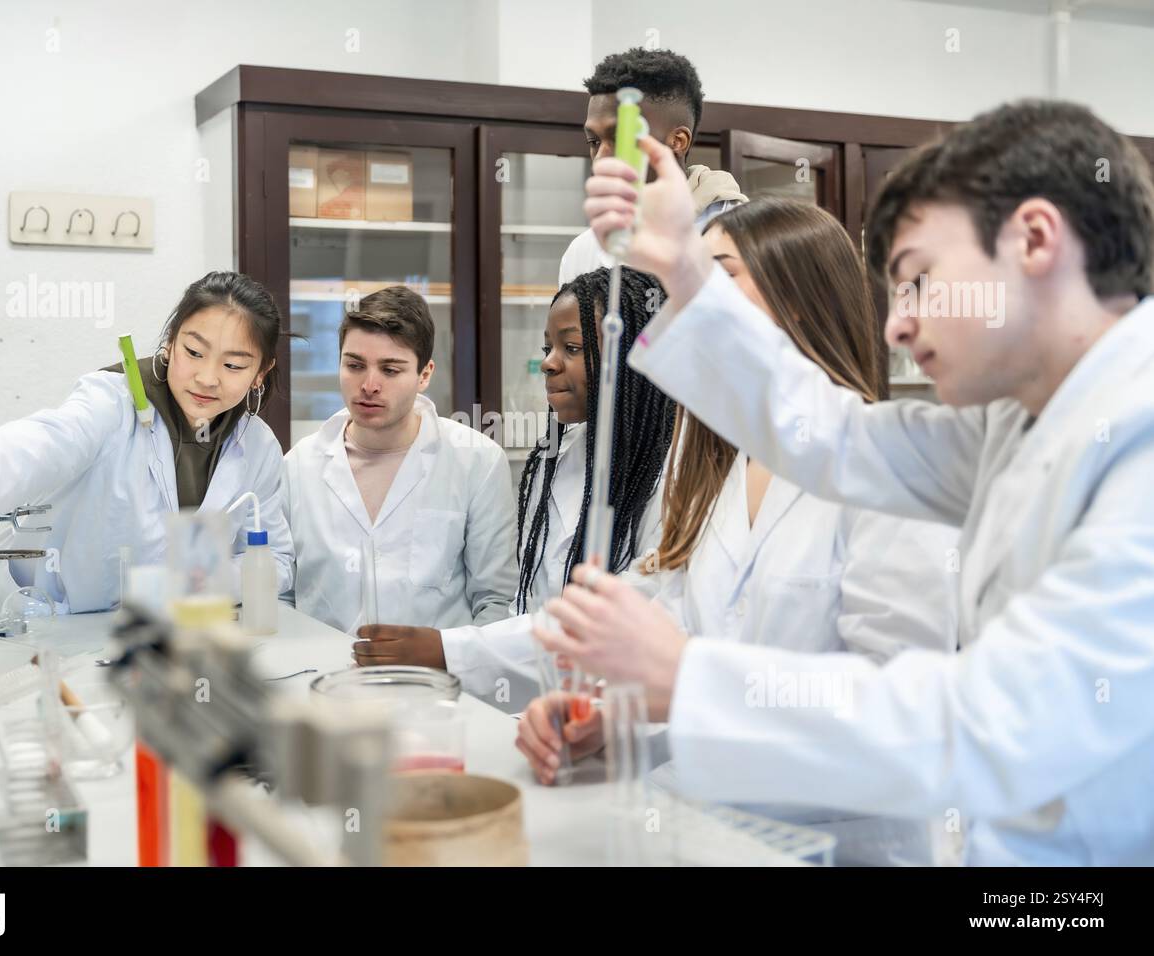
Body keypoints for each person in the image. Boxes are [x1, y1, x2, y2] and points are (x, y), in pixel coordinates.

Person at [541, 99, 1154, 865]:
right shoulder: (1023, 423)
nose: (896, 325)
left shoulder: (1137, 434)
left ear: (1035, 239)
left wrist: (690, 678)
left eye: (920, 279)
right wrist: (681, 266)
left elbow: (1003, 723)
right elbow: (832, 437)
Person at [518, 199, 960, 865]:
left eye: (715, 279)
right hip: (705, 831)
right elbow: (681, 635)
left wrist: (689, 680)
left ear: (800, 301)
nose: (688, 307)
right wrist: (619, 715)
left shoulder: (887, 471)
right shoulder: (722, 472)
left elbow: (898, 719)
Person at [354, 269, 675, 710]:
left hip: (628, 726)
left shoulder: (672, 479)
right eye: (548, 348)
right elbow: (527, 605)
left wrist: (448, 651)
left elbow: (633, 620)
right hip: (538, 713)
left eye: (572, 348)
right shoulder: (556, 459)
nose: (548, 362)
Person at [0, 271, 293, 618]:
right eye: (194, 352)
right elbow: (53, 439)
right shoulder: (113, 400)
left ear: (261, 373)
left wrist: (199, 583)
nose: (208, 378)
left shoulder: (257, 446)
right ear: (170, 343)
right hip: (46, 621)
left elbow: (275, 559)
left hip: (156, 637)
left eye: (234, 365)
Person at [283, 286, 516, 634]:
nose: (369, 385)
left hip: (436, 682)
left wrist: (454, 669)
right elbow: (281, 596)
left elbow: (496, 601)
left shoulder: (477, 461)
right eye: (355, 365)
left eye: (390, 370)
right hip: (325, 680)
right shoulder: (298, 465)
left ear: (424, 375)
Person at [560, 46, 746, 284]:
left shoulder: (744, 239)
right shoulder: (582, 252)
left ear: (678, 141)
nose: (600, 159)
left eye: (621, 138)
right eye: (594, 141)